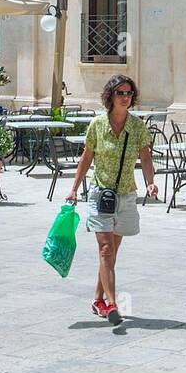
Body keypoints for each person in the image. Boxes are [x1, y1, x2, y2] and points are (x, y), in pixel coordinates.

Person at [65, 74, 159, 327]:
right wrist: (74, 189)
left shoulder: (137, 126)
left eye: (129, 93)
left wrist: (150, 181)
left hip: (126, 195)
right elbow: (86, 158)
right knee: (106, 250)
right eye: (120, 93)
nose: (125, 97)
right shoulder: (97, 125)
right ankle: (112, 304)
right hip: (101, 194)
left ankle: (98, 300)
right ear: (110, 96)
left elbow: (145, 157)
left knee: (111, 254)